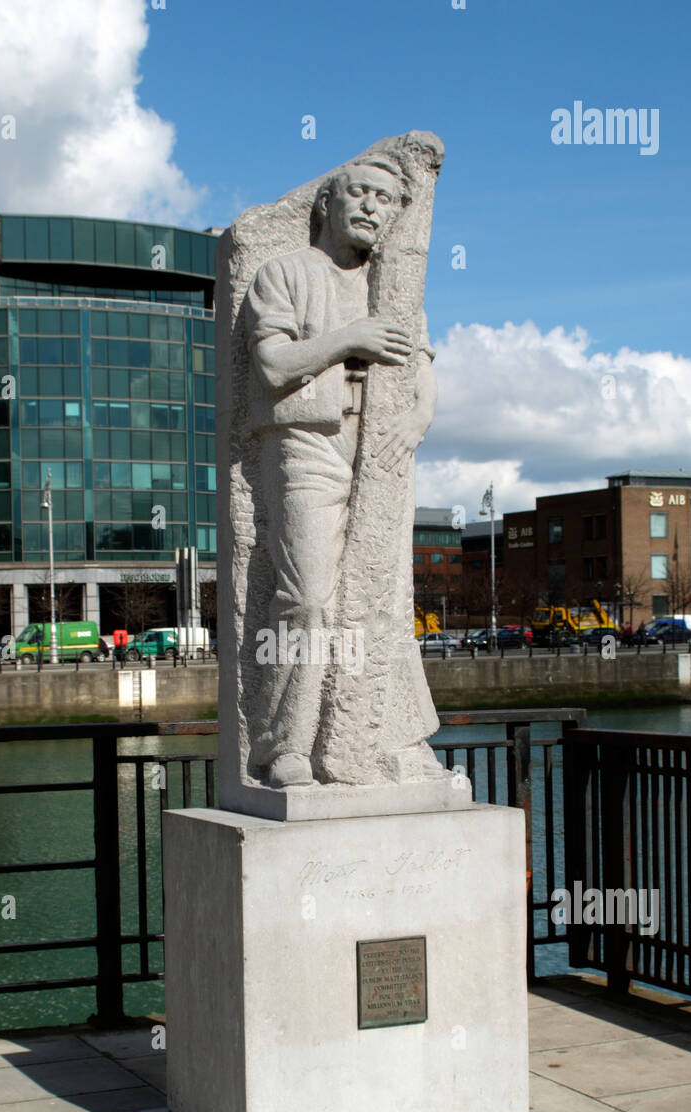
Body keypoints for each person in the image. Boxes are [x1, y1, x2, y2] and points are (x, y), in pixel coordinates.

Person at [246, 159, 437, 788]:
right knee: (307, 600)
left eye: (386, 200)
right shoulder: (285, 272)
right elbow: (274, 367)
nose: (373, 208)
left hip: (378, 446)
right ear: (328, 202)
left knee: (382, 599)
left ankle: (385, 741)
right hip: (308, 441)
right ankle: (284, 747)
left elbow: (422, 366)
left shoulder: (393, 285)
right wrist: (350, 338)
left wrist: (416, 422)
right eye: (361, 193)